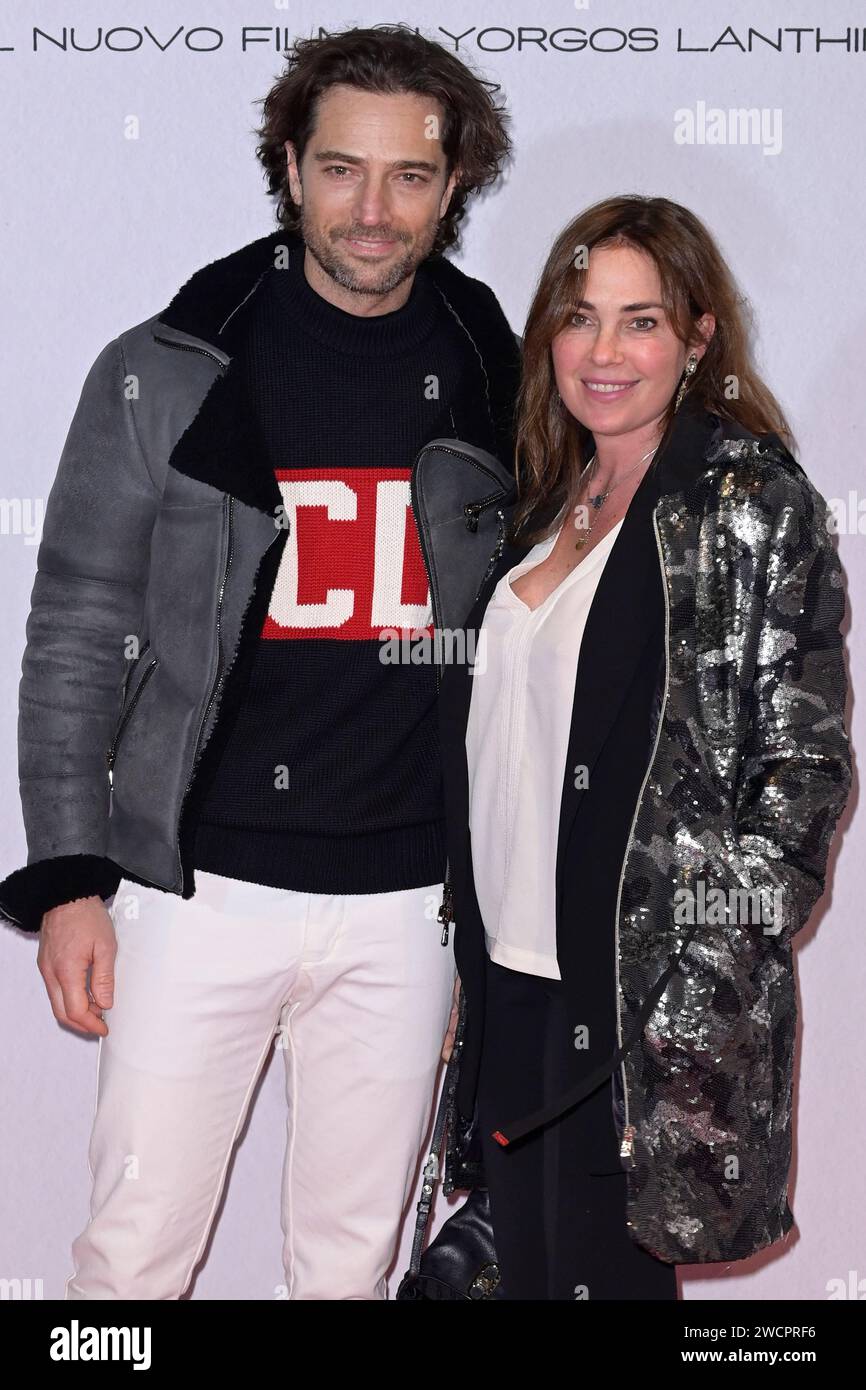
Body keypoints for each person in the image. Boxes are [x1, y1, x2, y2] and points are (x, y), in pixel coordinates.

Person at [0, 25, 522, 1299]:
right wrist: (70, 876)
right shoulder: (168, 365)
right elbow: (74, 623)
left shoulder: (493, 362)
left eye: (409, 176)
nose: (372, 209)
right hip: (195, 891)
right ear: (288, 166)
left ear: (452, 187)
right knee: (126, 1264)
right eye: (340, 169)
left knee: (350, 1271)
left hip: (408, 909)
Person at [437, 195, 852, 1300]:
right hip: (511, 983)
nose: (604, 352)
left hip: (632, 1007)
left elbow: (802, 772)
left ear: (697, 338)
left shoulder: (746, 502)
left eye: (641, 321)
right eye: (580, 319)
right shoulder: (539, 502)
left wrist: (696, 966)